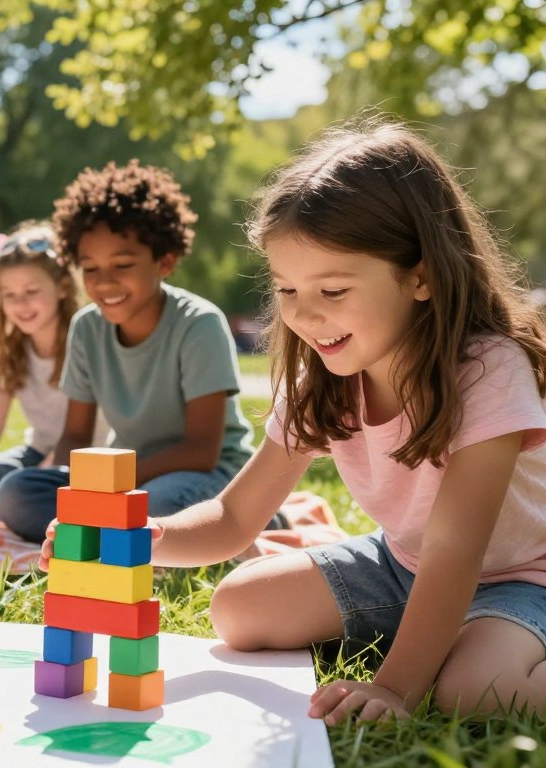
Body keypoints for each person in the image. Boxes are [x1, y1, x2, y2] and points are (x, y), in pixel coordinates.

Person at [44, 121, 546, 722]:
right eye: (286, 289)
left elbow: (456, 550)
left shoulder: (487, 369)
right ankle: (435, 637)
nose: (305, 315)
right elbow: (233, 518)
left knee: (472, 691)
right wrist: (141, 540)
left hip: (518, 580)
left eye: (332, 290)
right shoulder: (328, 381)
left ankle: (457, 649)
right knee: (239, 608)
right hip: (402, 567)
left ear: (421, 275)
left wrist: (394, 687)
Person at [0, 161, 254, 541]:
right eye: (91, 269)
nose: (104, 283)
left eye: (123, 264)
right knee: (15, 493)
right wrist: (76, 488)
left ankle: (246, 521)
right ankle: (112, 530)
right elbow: (75, 436)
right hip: (123, 481)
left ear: (164, 261)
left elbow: (201, 450)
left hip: (207, 476)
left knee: (155, 507)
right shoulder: (86, 328)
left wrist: (107, 487)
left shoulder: (199, 324)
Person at [0, 222, 109, 501]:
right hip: (40, 450)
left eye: (31, 292)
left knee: (17, 493)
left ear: (62, 287)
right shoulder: (15, 349)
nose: (21, 304)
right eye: (10, 295)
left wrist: (43, 474)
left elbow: (83, 433)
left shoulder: (84, 342)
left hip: (91, 456)